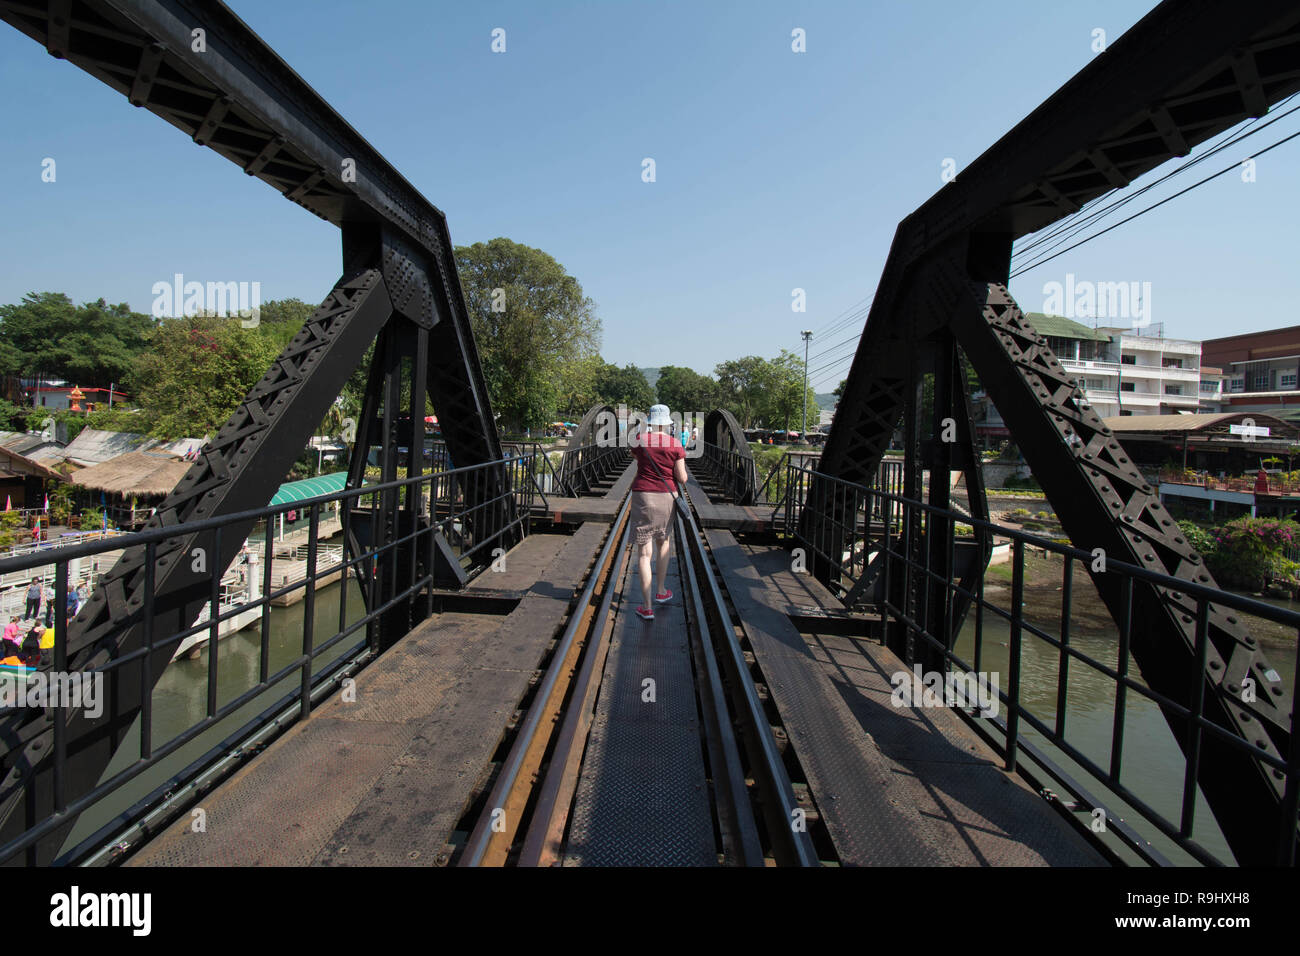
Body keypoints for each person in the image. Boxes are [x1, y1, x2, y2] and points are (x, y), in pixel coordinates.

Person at [629, 404, 688, 621]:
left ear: (650, 421)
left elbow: (634, 456)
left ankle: (646, 607)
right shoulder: (675, 444)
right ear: (668, 423)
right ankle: (662, 591)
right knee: (663, 542)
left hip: (643, 496)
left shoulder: (640, 439)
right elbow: (682, 478)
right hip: (667, 497)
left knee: (644, 554)